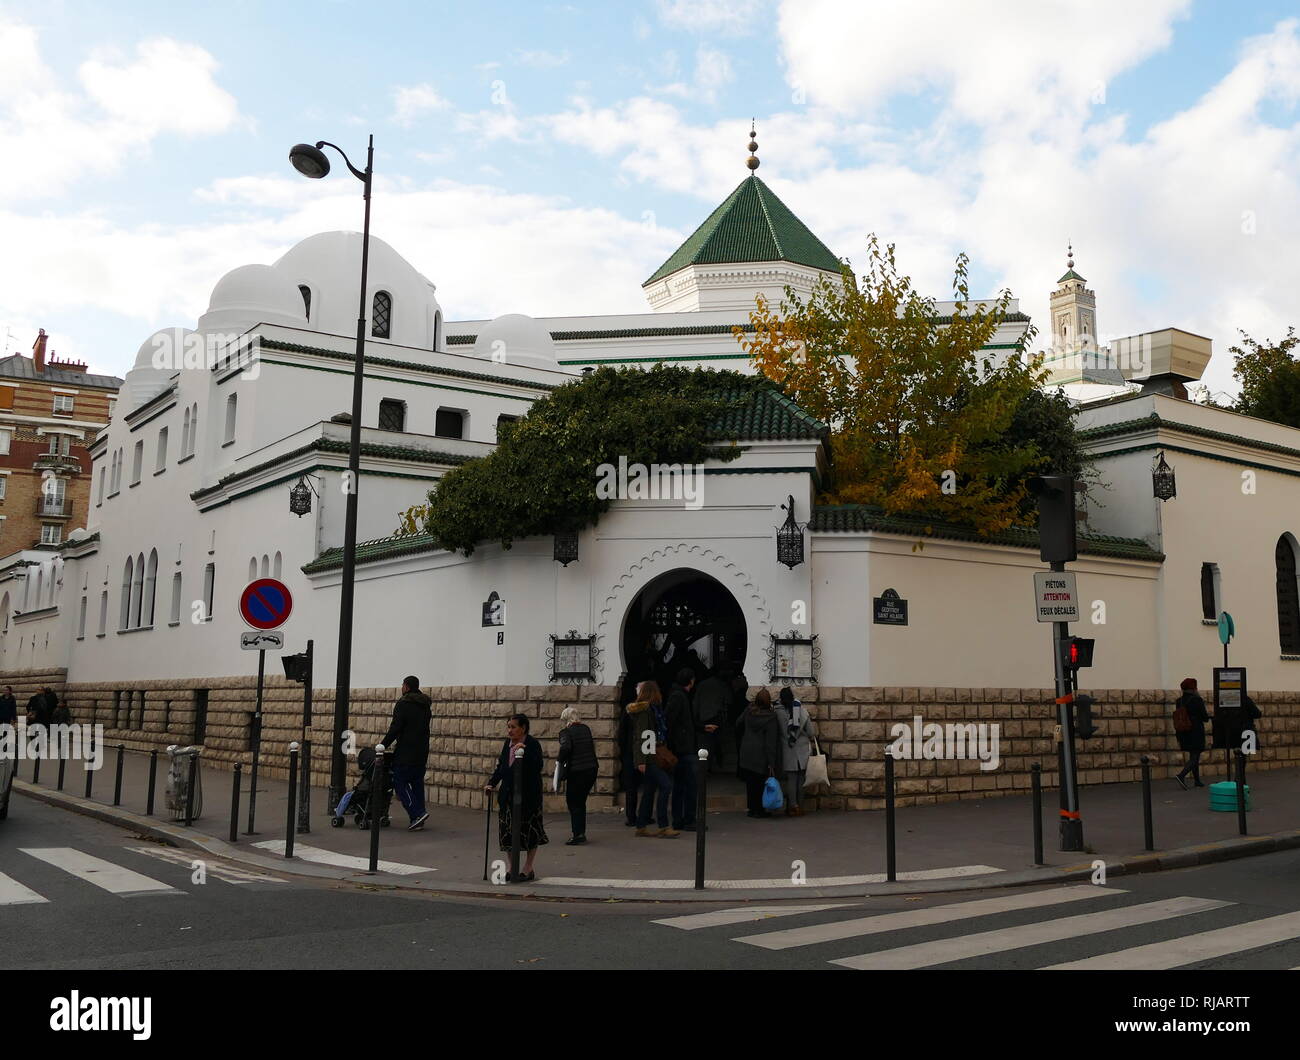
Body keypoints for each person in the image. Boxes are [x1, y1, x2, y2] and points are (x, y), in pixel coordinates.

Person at [486, 714, 548, 881]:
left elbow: (537, 766)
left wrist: (524, 752)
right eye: (508, 727)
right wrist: (491, 783)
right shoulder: (508, 744)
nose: (510, 730)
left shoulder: (532, 744)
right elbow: (502, 766)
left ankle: (528, 868)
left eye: (513, 727)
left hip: (528, 796)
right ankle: (512, 867)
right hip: (508, 794)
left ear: (523, 728)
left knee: (530, 832)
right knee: (507, 831)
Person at [381, 676, 433, 830]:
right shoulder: (425, 705)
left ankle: (416, 813)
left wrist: (382, 745)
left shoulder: (403, 704)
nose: (401, 687)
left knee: (400, 782)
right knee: (417, 784)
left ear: (407, 687)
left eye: (403, 685)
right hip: (422, 752)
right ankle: (418, 818)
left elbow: (395, 728)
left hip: (405, 752)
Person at [626, 680, 677, 837]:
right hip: (650, 756)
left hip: (650, 754)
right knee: (666, 786)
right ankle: (663, 825)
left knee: (649, 790)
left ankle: (641, 826)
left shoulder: (651, 710)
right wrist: (642, 760)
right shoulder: (646, 711)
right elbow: (643, 735)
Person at [736, 687, 783, 817]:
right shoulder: (771, 717)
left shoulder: (748, 711)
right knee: (760, 782)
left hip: (747, 751)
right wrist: (772, 762)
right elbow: (771, 742)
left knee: (750, 783)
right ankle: (759, 810)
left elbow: (738, 723)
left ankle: (752, 808)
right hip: (761, 754)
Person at [558, 706, 598, 845]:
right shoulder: (586, 728)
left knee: (573, 802)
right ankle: (581, 832)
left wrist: (559, 760)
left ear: (566, 720)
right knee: (581, 801)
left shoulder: (565, 732)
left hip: (577, 771)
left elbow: (565, 748)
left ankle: (578, 835)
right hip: (592, 768)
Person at [774, 686, 816, 815]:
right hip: (802, 748)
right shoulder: (802, 711)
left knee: (791, 779)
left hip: (787, 748)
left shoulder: (777, 712)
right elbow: (811, 732)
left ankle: (793, 805)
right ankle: (800, 806)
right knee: (801, 778)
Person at [666, 667, 698, 831]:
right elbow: (670, 721)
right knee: (689, 785)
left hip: (682, 747)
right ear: (690, 680)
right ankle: (687, 819)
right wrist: (675, 743)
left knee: (681, 786)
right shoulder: (679, 697)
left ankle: (680, 819)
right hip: (683, 749)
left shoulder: (679, 695)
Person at [693, 666, 732, 773]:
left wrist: (695, 715)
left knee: (704, 742)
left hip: (703, 716)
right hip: (716, 715)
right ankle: (718, 761)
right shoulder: (722, 685)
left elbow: (696, 702)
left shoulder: (701, 685)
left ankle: (707, 764)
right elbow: (728, 700)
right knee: (716, 741)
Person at [1172, 677, 1209, 789]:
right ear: (1193, 688)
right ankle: (1181, 775)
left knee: (1193, 755)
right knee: (1195, 756)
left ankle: (1197, 780)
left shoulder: (1179, 701)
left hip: (1183, 731)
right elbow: (1205, 717)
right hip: (1195, 731)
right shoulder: (1197, 700)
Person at [617, 684, 641, 827]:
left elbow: (621, 734)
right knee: (633, 786)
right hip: (633, 752)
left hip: (629, 752)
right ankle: (632, 816)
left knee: (632, 786)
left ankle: (632, 816)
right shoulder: (638, 710)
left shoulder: (630, 710)